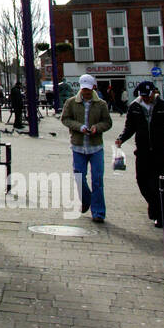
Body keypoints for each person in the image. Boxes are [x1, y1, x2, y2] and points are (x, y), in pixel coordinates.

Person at [115, 81, 164, 227]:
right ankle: (153, 204)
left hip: (161, 151)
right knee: (142, 181)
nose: (146, 98)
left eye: (148, 96)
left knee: (158, 183)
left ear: (154, 92)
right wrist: (121, 138)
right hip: (142, 151)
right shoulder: (134, 107)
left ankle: (160, 214)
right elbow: (130, 127)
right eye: (143, 96)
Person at [61, 74, 112, 222]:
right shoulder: (71, 103)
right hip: (78, 145)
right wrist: (79, 127)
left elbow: (107, 122)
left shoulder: (101, 104)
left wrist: (97, 127)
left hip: (95, 147)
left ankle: (98, 212)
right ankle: (86, 198)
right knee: (79, 176)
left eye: (89, 90)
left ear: (93, 88)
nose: (86, 93)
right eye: (84, 90)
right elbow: (65, 119)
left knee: (97, 179)